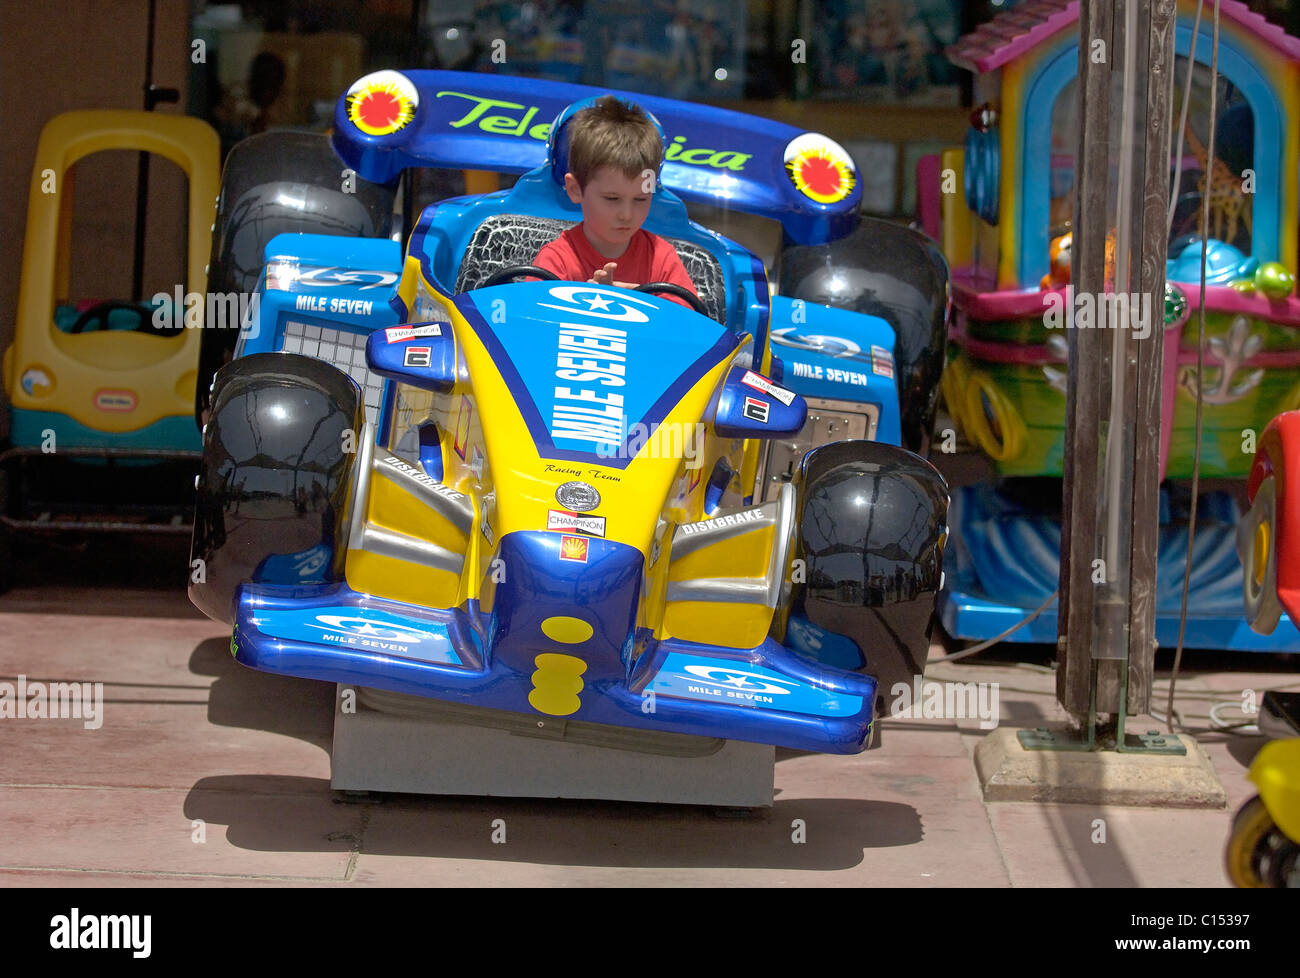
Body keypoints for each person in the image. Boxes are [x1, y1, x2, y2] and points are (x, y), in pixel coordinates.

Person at [534, 96, 699, 305]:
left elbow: (689, 329)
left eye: (641, 199)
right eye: (612, 198)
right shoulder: (556, 261)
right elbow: (533, 328)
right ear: (575, 189)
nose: (627, 214)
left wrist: (647, 306)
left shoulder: (663, 259)